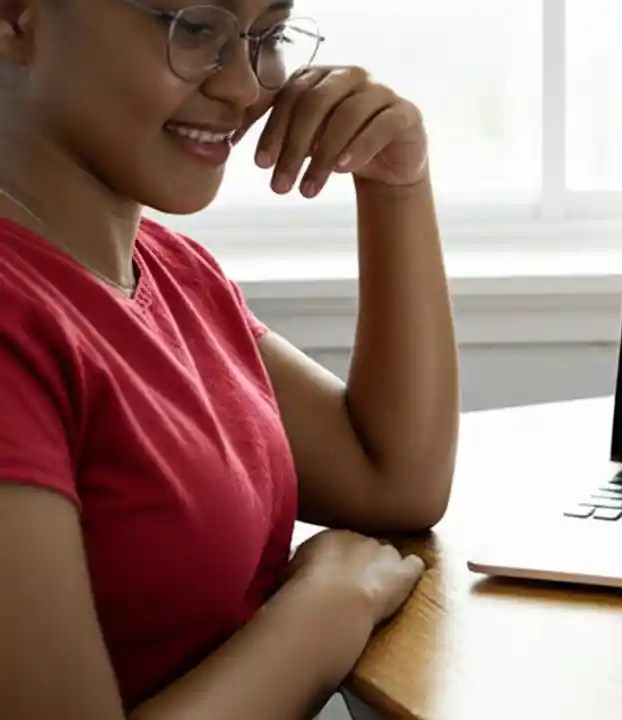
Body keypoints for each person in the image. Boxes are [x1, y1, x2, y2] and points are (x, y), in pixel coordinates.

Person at [0, 0, 459, 717]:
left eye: (267, 35)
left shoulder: (173, 272)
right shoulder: (14, 320)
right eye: (194, 27)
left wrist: (396, 185)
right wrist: (323, 611)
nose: (245, 87)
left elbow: (392, 480)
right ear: (15, 17)